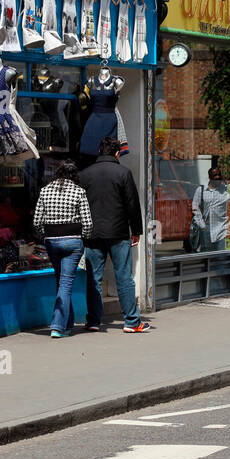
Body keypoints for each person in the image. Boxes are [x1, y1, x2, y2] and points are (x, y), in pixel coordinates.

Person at [82, 137, 148, 332]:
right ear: (117, 153)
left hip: (92, 233)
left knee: (93, 278)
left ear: (99, 151)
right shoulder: (123, 173)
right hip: (118, 232)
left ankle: (93, 320)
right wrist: (136, 231)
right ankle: (131, 322)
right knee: (124, 276)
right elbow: (132, 204)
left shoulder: (85, 174)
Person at [33, 161, 94, 338]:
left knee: (62, 283)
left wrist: (45, 234)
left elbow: (37, 221)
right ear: (75, 176)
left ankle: (68, 324)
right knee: (66, 284)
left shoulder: (45, 191)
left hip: (52, 241)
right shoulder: (79, 191)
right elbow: (88, 223)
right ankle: (58, 326)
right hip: (73, 241)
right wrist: (84, 237)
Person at [192, 166, 230, 252]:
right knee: (207, 256)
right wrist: (201, 225)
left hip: (222, 228)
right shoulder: (201, 190)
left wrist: (228, 183)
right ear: (210, 177)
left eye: (219, 175)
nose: (217, 177)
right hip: (206, 227)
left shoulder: (226, 190)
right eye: (215, 175)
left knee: (221, 256)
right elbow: (195, 207)